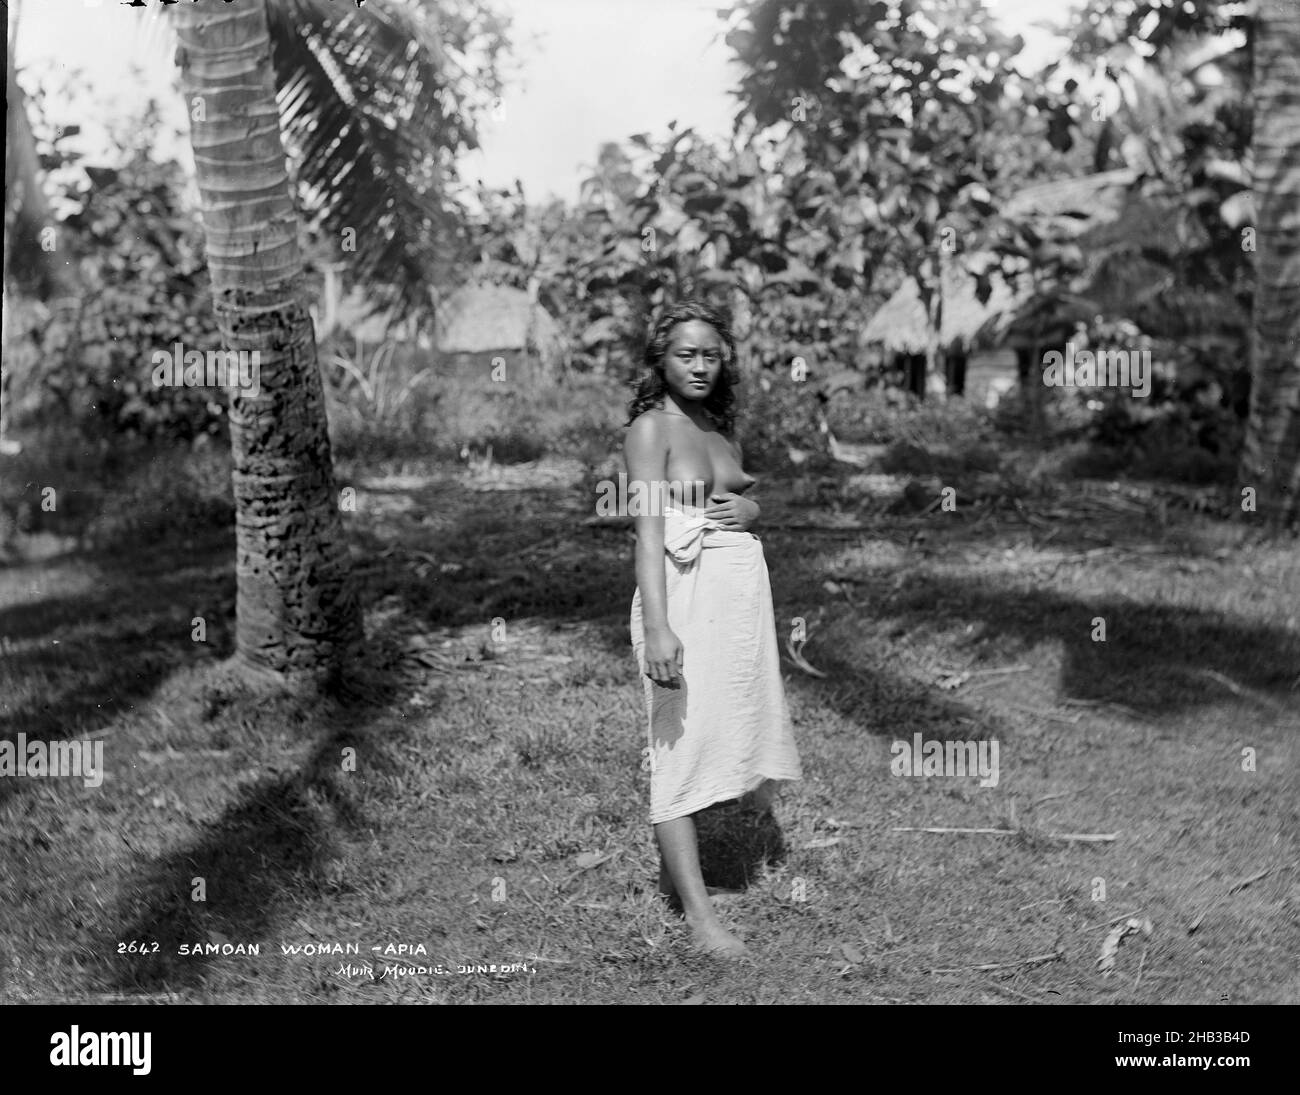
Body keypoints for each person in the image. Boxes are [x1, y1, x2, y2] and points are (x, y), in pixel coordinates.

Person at [624, 299, 802, 958]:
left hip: (734, 607)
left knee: (711, 735)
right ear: (660, 360)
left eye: (710, 354)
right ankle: (700, 923)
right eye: (684, 354)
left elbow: (737, 496)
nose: (699, 366)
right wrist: (660, 628)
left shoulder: (719, 426)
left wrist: (751, 505)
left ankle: (680, 891)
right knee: (676, 748)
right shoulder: (651, 429)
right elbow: (646, 535)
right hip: (680, 599)